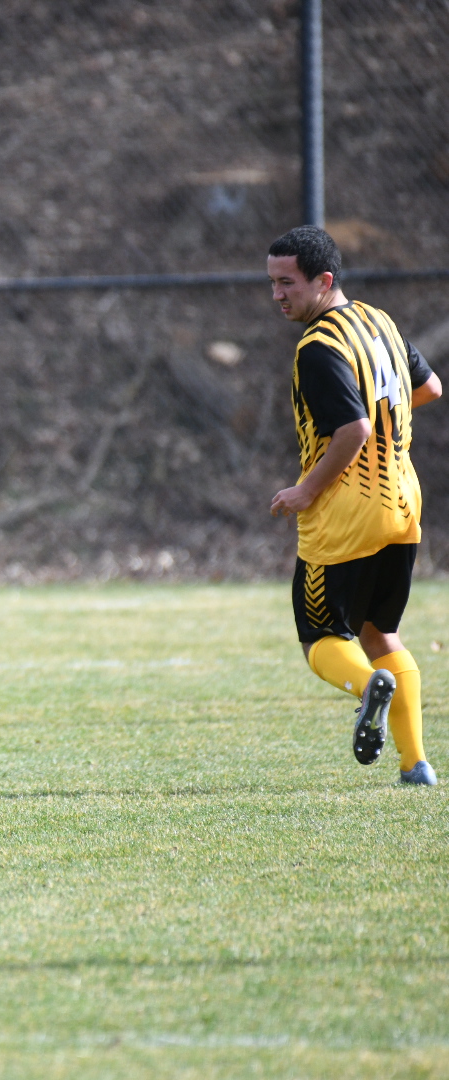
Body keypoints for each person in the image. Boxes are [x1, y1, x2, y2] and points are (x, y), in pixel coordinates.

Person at [267, 225, 441, 785]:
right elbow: (430, 388)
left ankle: (369, 688)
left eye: (288, 283)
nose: (278, 295)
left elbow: (354, 429)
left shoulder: (318, 347)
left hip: (345, 513)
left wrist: (306, 491)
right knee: (380, 634)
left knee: (319, 639)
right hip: (403, 504)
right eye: (273, 283)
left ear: (324, 281)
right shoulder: (379, 321)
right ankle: (416, 765)